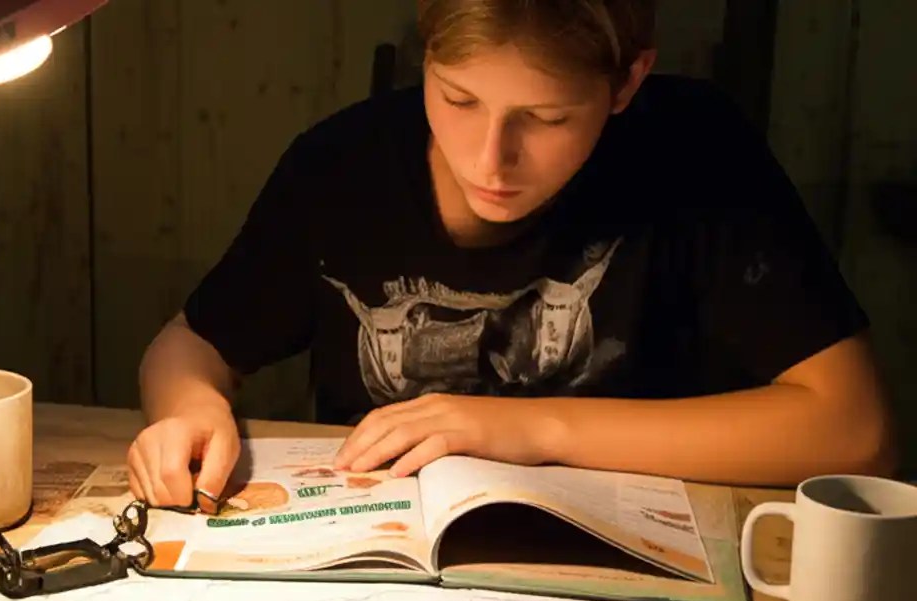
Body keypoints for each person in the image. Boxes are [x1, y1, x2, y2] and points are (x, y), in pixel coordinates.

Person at [126, 0, 897, 512]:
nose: (490, 159)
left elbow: (856, 430)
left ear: (628, 81)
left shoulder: (696, 153)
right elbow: (190, 346)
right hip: (376, 550)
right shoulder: (341, 168)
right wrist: (190, 413)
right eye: (458, 99)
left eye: (547, 117)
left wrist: (531, 429)